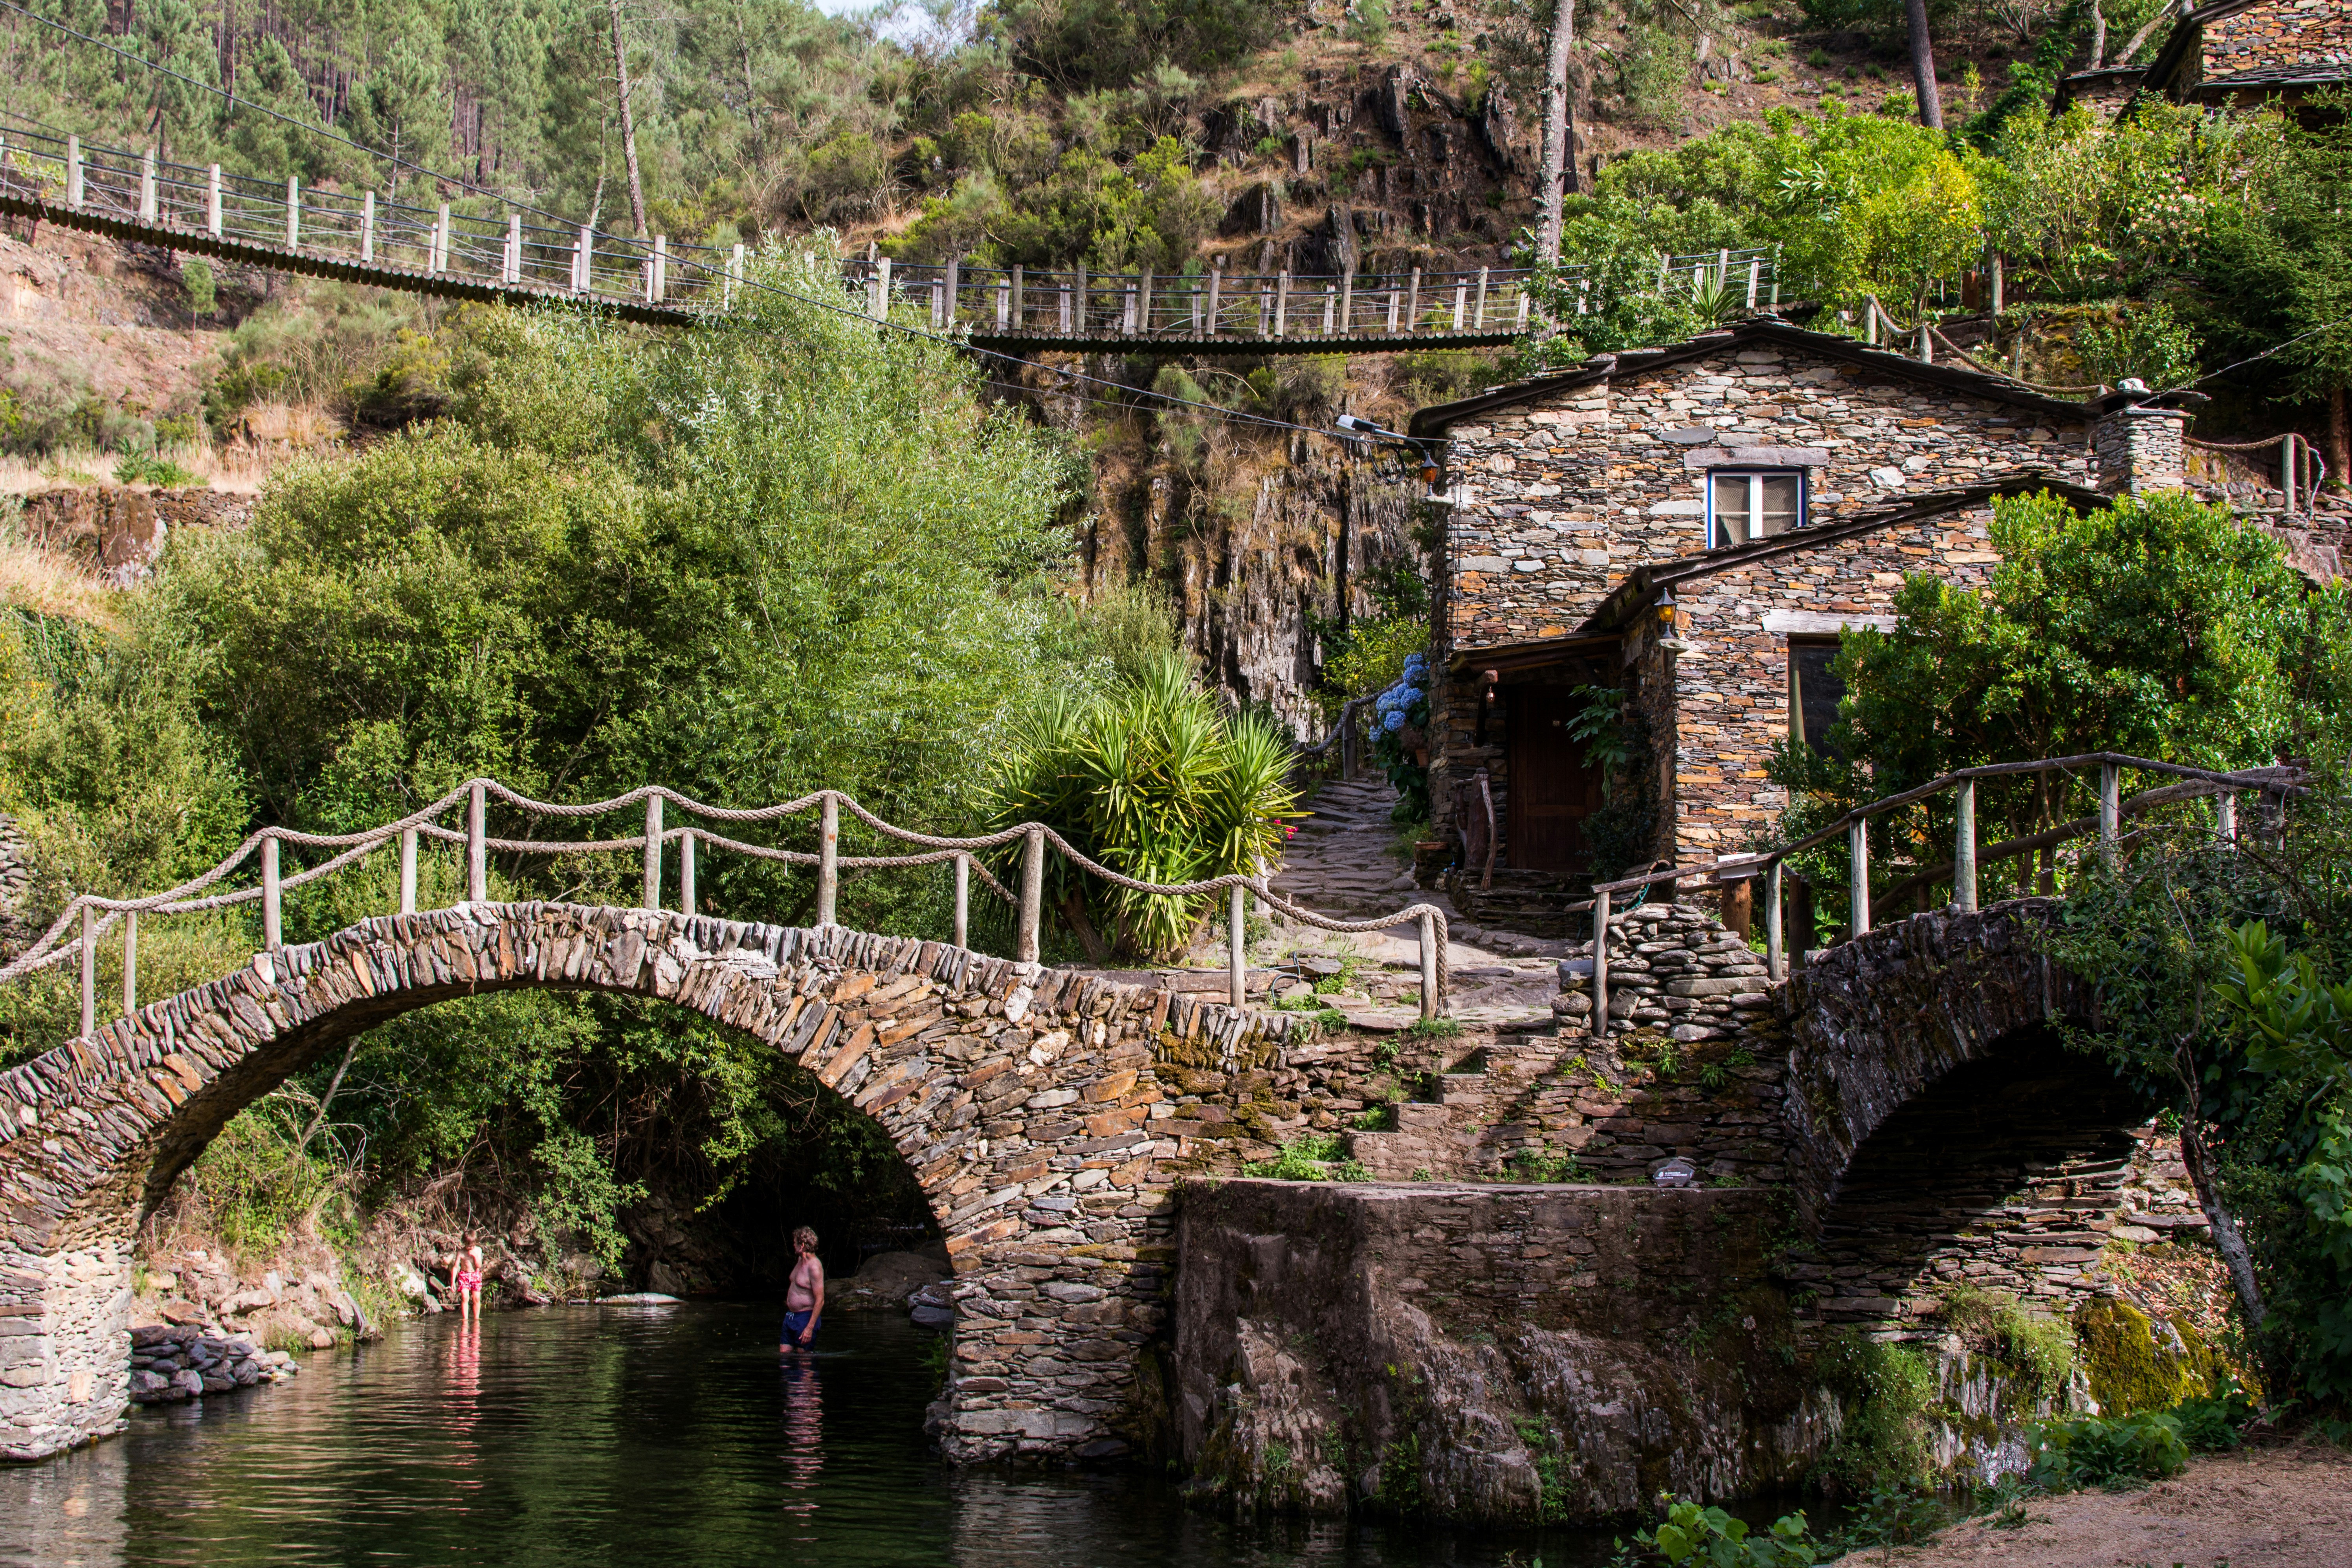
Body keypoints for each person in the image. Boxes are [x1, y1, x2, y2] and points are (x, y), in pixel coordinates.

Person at [780, 1225, 823, 1353]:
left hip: (805, 1318)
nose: (793, 1245)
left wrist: (810, 1328)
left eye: (795, 1242)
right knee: (785, 1358)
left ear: (802, 1245)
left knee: (804, 1362)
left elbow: (820, 1300)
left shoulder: (815, 1267)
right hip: (790, 1317)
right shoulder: (801, 1260)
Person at [454, 1231, 485, 1325]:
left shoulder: (478, 1250)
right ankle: (465, 1319)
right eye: (468, 1246)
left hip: (475, 1275)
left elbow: (479, 1266)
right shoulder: (461, 1253)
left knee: (476, 1298)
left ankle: (476, 1319)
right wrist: (452, 1282)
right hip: (464, 1275)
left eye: (472, 1246)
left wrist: (475, 1256)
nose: (470, 1248)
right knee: (465, 1297)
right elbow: (456, 1267)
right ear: (464, 1243)